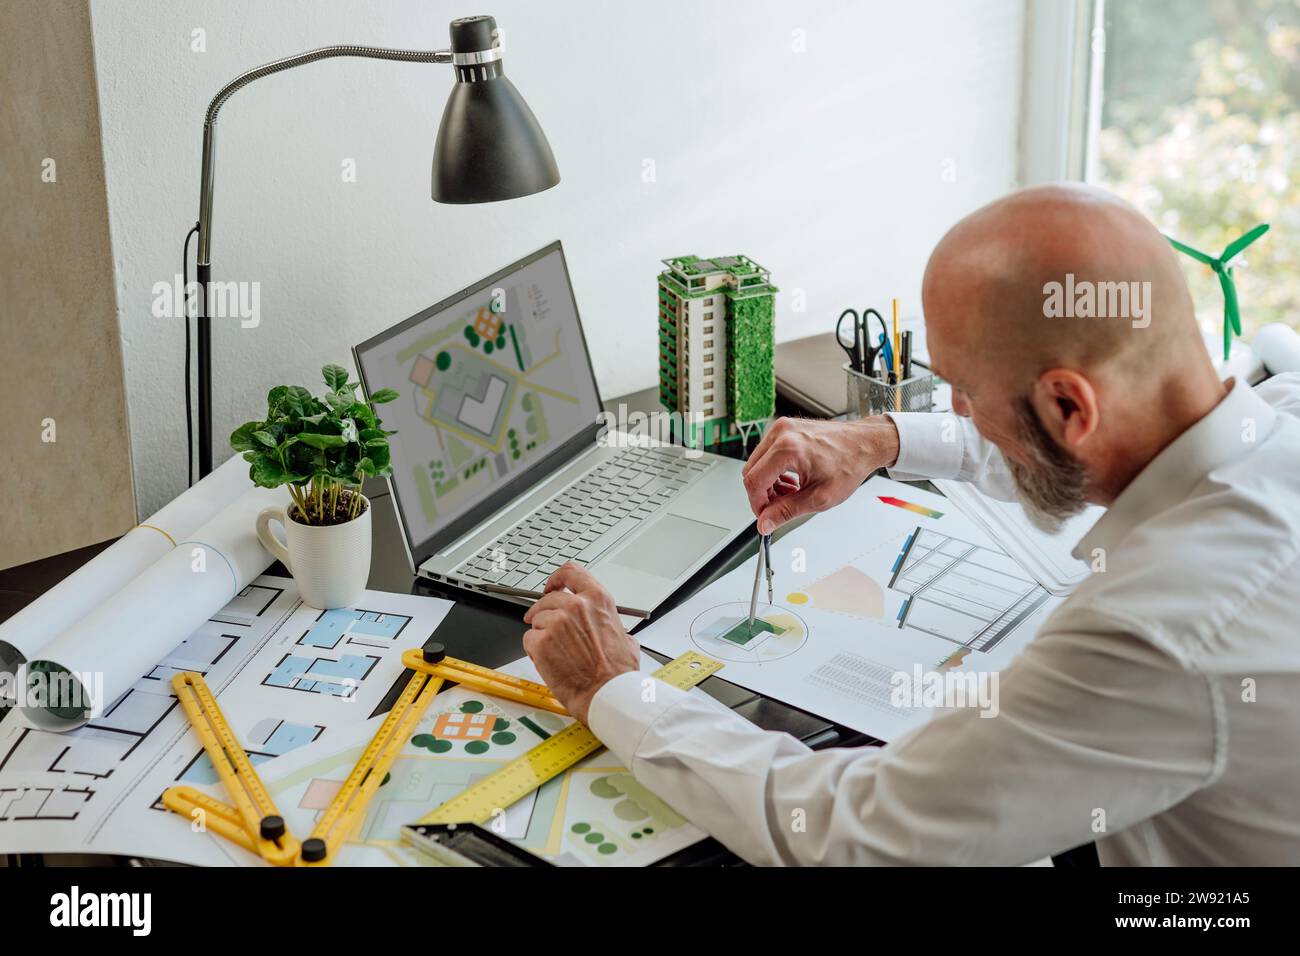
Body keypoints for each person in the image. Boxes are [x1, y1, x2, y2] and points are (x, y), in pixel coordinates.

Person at [521, 184, 1300, 865]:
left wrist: (614, 688)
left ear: (1068, 404)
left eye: (962, 387)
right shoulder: (1275, 415)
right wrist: (882, 438)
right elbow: (1066, 447)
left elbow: (847, 833)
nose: (956, 407)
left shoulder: (1155, 634)